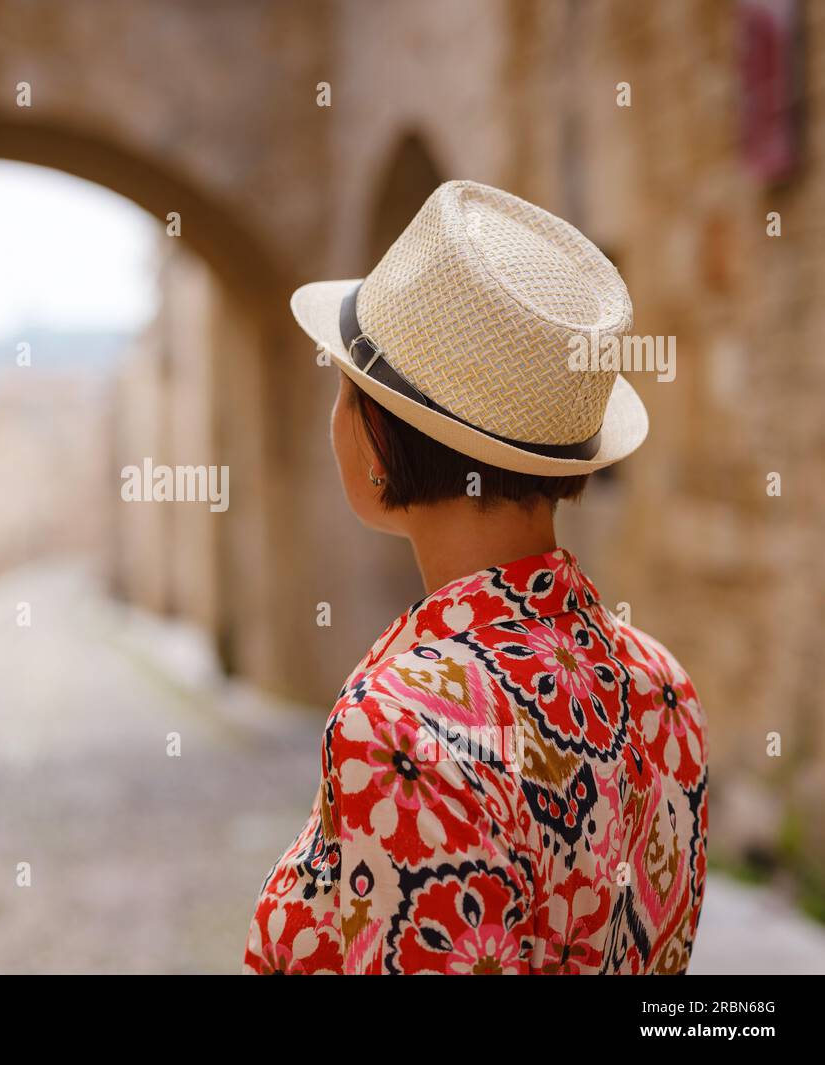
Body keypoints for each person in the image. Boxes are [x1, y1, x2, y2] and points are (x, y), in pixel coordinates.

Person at [242, 180, 708, 975]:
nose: (334, 415)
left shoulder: (400, 730)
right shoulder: (661, 684)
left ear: (381, 438)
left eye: (346, 388)